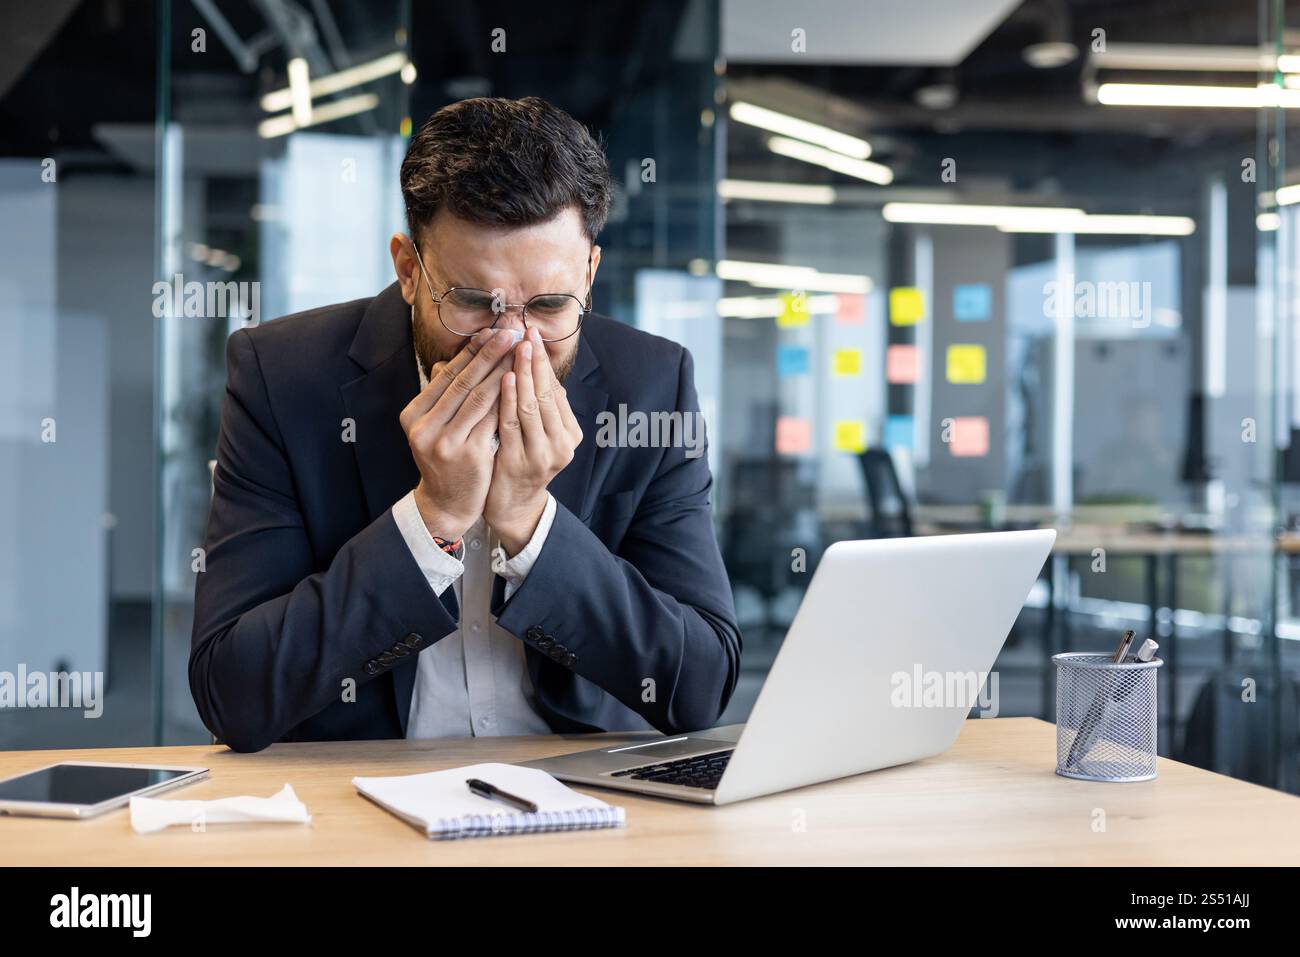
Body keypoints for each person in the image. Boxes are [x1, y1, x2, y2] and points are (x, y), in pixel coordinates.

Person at [190, 96, 740, 753]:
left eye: (549, 304)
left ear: (588, 276)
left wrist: (532, 524)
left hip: (577, 803)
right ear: (407, 270)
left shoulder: (650, 386)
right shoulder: (284, 378)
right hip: (358, 798)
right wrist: (431, 519)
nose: (513, 339)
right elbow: (233, 693)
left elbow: (699, 686)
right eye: (475, 301)